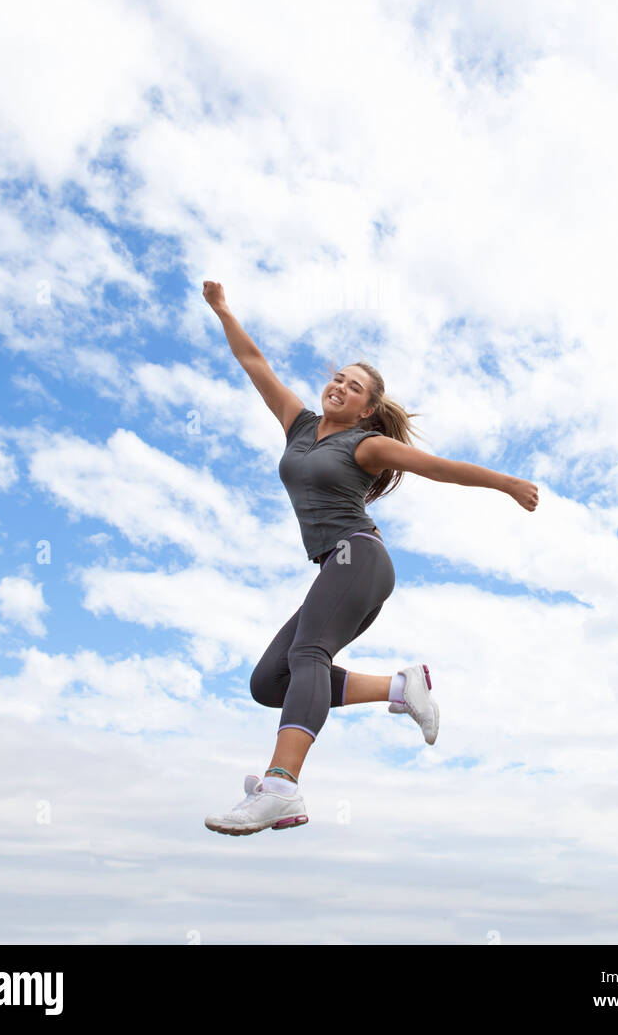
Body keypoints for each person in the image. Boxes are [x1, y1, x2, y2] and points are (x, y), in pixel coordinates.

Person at [201, 281, 539, 837]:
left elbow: (436, 467)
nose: (339, 387)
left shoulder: (366, 446)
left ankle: (281, 784)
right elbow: (253, 361)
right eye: (337, 377)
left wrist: (505, 484)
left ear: (367, 408)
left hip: (359, 557)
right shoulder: (299, 424)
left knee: (310, 652)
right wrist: (223, 310)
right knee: (269, 682)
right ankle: (401, 688)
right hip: (336, 566)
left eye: (353, 387)